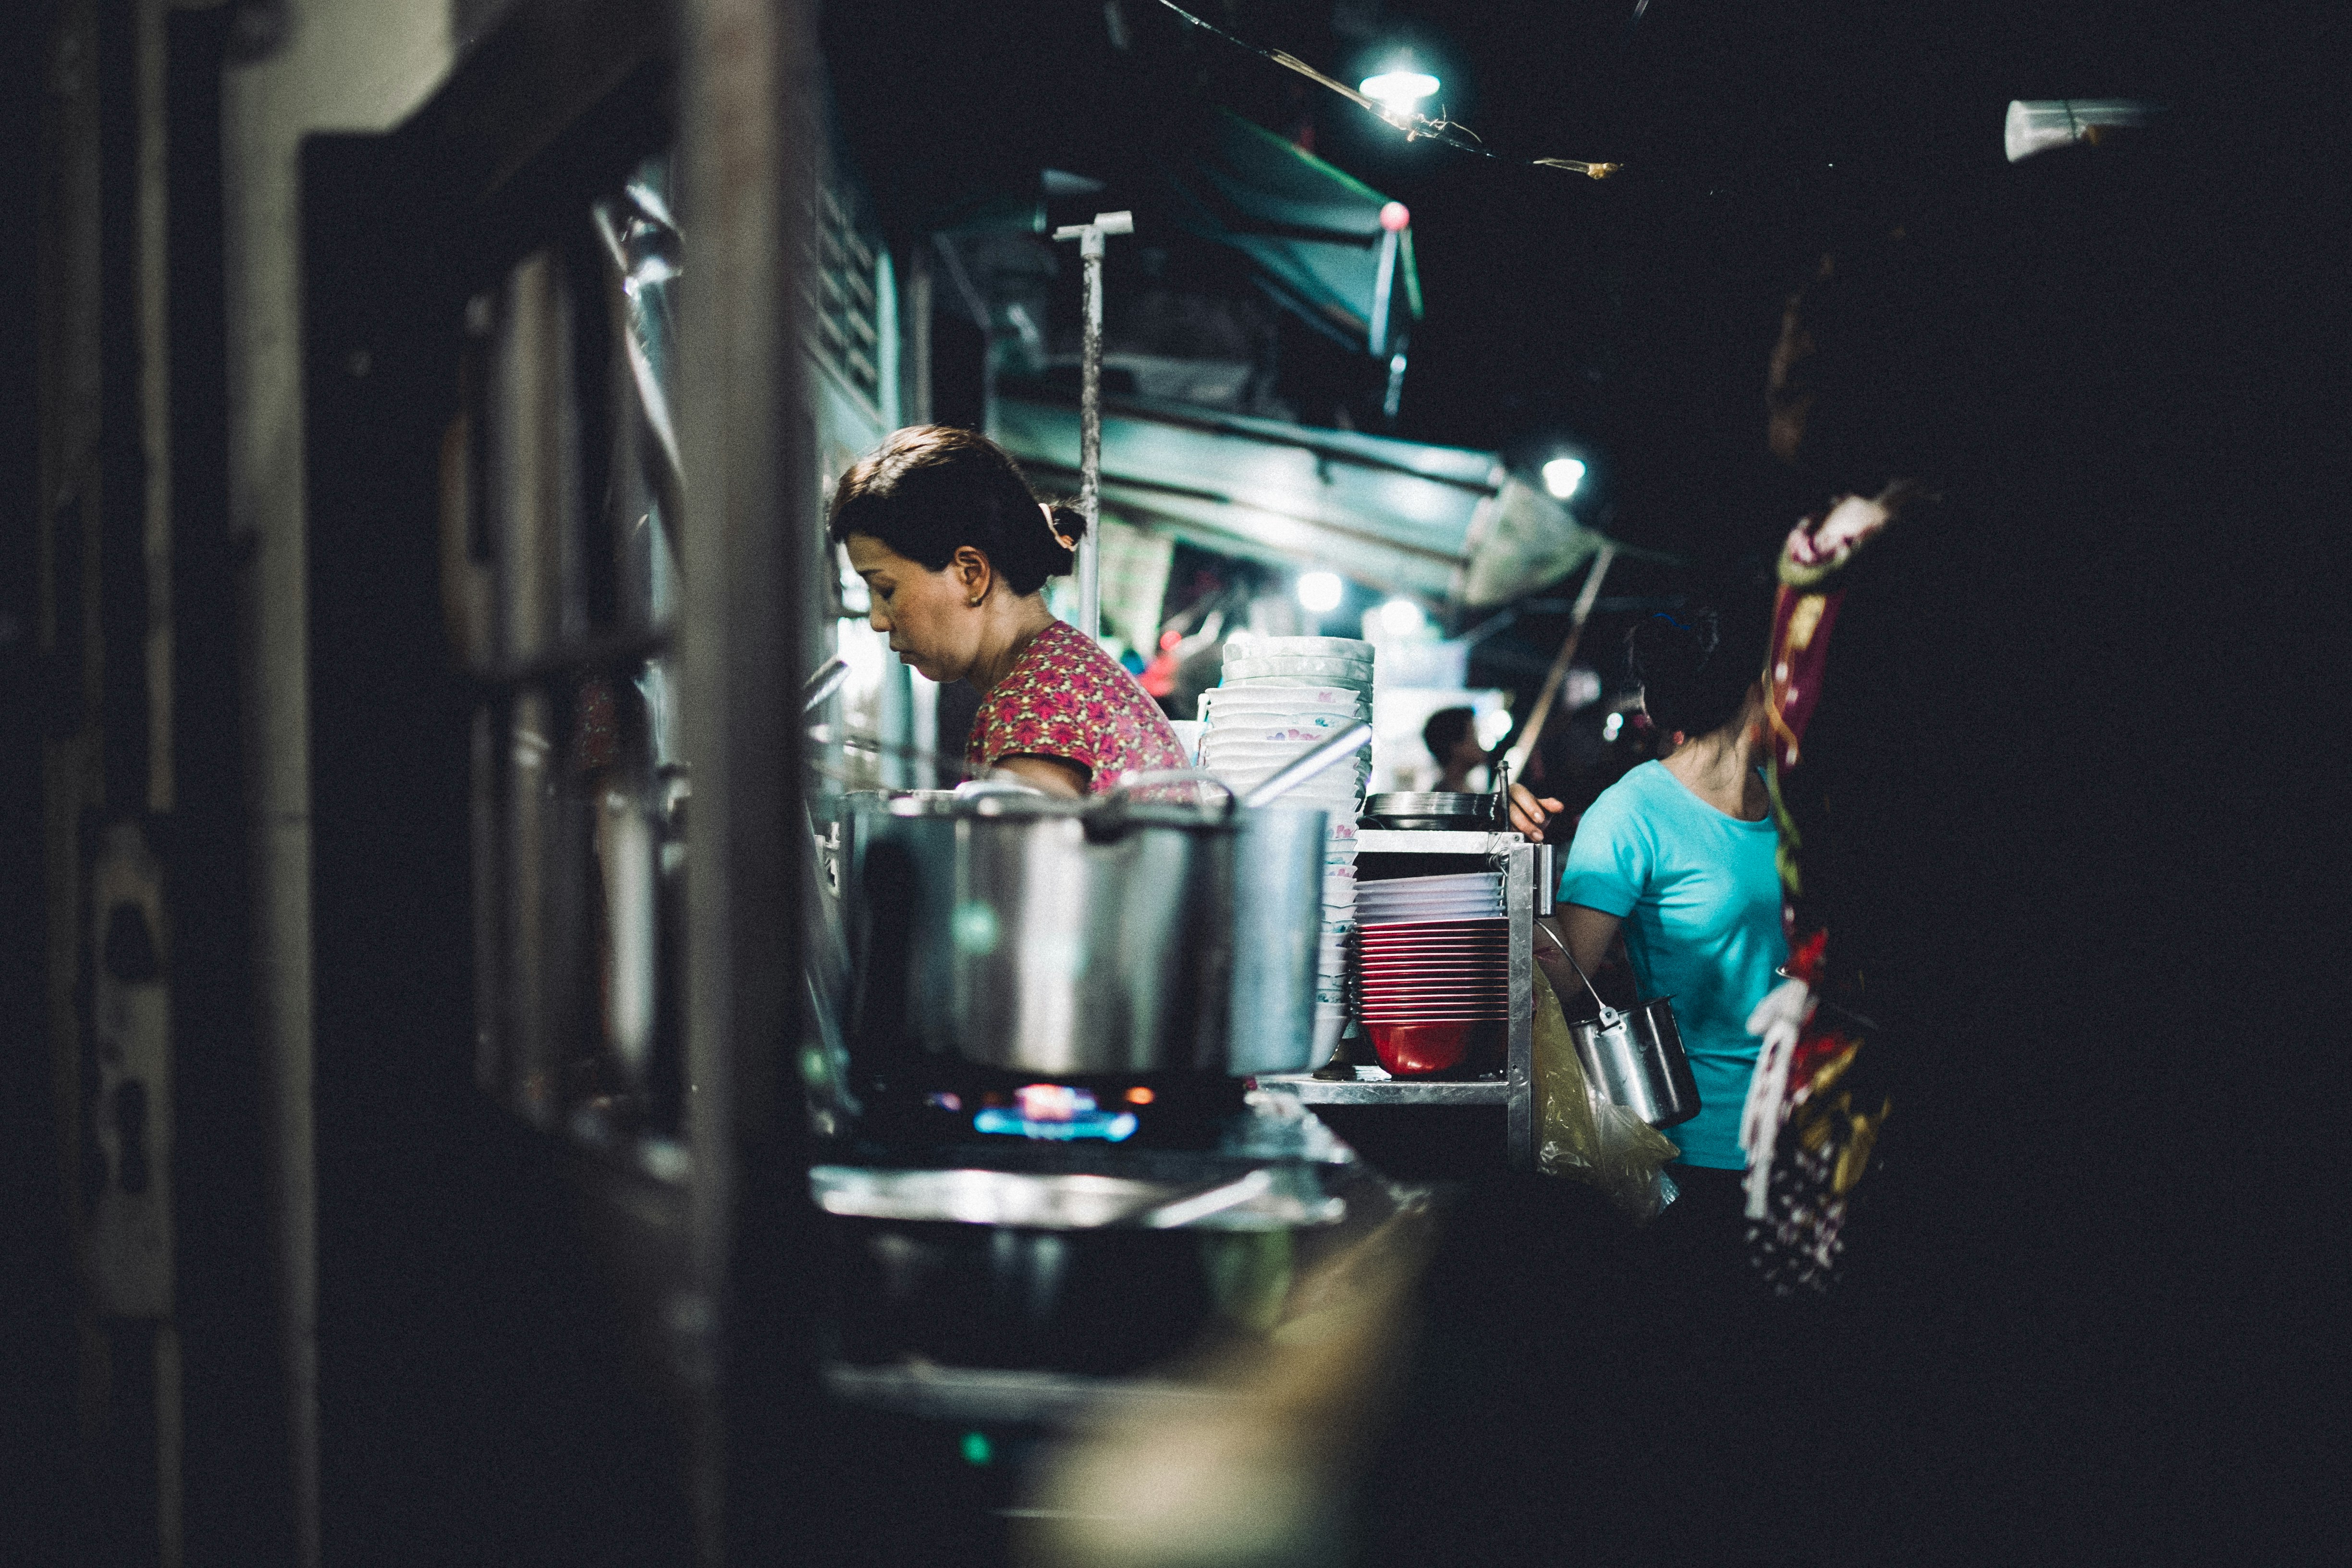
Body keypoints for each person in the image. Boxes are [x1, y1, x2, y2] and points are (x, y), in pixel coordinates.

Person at [1519, 607, 1786, 1291]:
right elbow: (1568, 972)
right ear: (1758, 686)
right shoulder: (1634, 811)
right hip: (1704, 1147)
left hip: (1807, 1137)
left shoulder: (1789, 803)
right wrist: (1516, 866)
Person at [828, 426, 1187, 797]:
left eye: (886, 590)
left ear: (972, 574)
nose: (877, 620)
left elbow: (1030, 853)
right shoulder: (1058, 670)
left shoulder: (1039, 705)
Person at [1421, 706, 1486, 792]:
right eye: (1473, 737)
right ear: (1455, 747)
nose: (1479, 745)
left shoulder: (1458, 790)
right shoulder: (1448, 798)